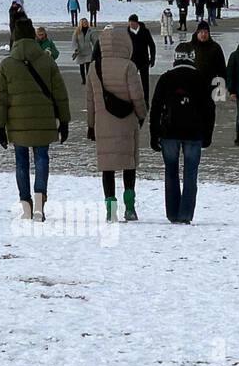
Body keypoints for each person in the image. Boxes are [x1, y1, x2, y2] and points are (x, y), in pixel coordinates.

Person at [0, 17, 70, 221]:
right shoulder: (47, 61)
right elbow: (60, 93)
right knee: (42, 158)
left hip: (17, 122)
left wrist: (0, 127)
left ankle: (26, 207)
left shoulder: (7, 64)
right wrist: (64, 121)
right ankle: (39, 204)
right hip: (43, 121)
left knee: (21, 162)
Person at [150, 46, 216, 224]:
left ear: (176, 58)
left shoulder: (166, 78)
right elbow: (210, 110)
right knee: (190, 174)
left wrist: (153, 134)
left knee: (171, 172)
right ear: (192, 58)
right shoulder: (201, 79)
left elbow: (155, 108)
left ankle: (172, 213)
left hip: (169, 132)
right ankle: (185, 214)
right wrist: (208, 135)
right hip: (194, 133)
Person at [86, 27, 147, 222]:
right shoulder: (129, 66)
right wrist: (142, 115)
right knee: (128, 165)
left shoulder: (93, 67)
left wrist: (91, 124)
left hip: (103, 123)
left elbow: (90, 101)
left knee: (108, 168)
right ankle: (129, 208)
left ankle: (110, 210)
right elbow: (137, 96)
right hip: (126, 122)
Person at [182, 20, 226, 96]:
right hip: (191, 86)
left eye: (206, 32)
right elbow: (182, 67)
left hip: (209, 86)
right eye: (201, 32)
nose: (203, 34)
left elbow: (221, 69)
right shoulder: (188, 47)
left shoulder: (215, 47)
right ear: (197, 33)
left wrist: (221, 86)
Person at [126, 14, 156, 106]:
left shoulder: (145, 31)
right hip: (132, 61)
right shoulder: (126, 33)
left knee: (145, 82)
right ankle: (132, 100)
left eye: (132, 22)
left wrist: (152, 58)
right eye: (129, 22)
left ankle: (146, 100)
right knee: (131, 82)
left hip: (143, 60)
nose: (131, 24)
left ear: (136, 22)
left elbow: (152, 45)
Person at [71, 18, 96, 84]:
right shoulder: (77, 31)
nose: (85, 23)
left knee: (88, 67)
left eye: (86, 22)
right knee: (81, 67)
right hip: (80, 52)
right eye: (84, 22)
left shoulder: (90, 30)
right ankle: (83, 80)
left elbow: (94, 40)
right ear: (81, 23)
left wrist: (96, 48)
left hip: (88, 52)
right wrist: (75, 48)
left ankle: (88, 80)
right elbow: (74, 41)